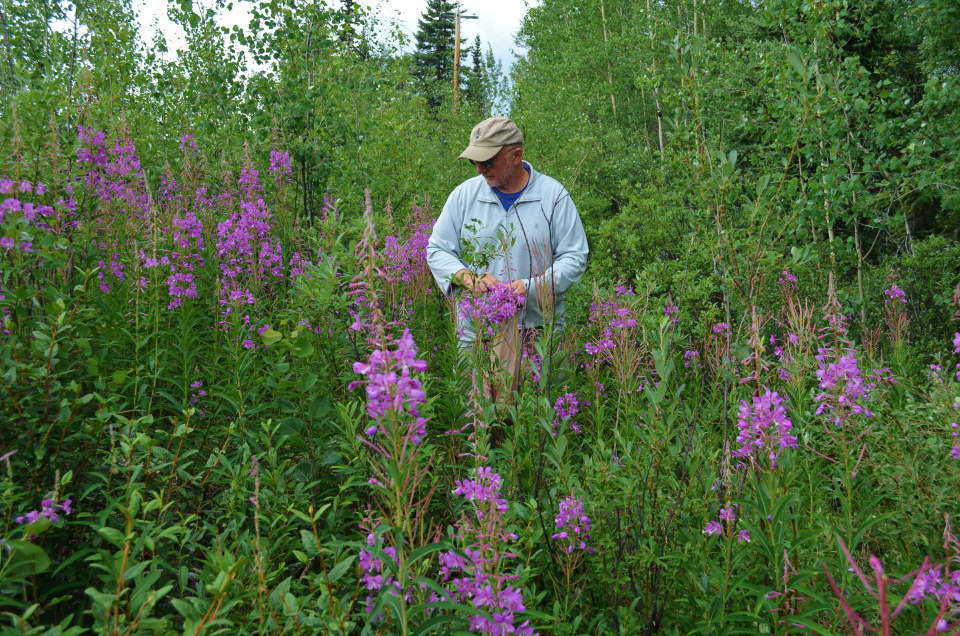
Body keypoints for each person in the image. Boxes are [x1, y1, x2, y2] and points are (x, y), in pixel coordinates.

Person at [426, 116, 589, 398]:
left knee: (536, 413)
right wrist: (468, 278)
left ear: (516, 155)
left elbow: (575, 256)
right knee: (478, 415)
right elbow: (437, 250)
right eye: (474, 161)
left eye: (487, 161)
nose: (480, 169)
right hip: (478, 333)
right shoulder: (464, 196)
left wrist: (532, 287)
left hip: (537, 333)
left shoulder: (553, 197)